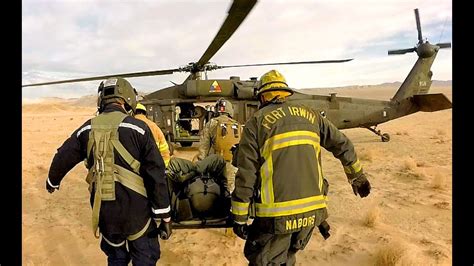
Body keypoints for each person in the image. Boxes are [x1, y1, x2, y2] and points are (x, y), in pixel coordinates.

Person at [230, 70, 372, 265]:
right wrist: (357, 177)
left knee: (265, 260)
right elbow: (343, 144)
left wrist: (238, 216)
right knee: (287, 258)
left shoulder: (257, 122)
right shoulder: (312, 115)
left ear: (263, 96)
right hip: (313, 212)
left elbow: (247, 174)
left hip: (275, 217)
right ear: (285, 93)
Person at [45, 77, 172, 265]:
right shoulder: (139, 128)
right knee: (145, 256)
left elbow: (62, 157)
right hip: (137, 213)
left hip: (106, 213)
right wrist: (165, 216)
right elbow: (156, 174)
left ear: (101, 100)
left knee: (116, 258)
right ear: (128, 99)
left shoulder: (86, 128)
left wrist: (52, 181)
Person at [197, 98, 242, 193]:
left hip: (216, 163)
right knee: (231, 189)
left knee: (215, 189)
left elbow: (203, 146)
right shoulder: (238, 125)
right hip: (232, 165)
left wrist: (202, 164)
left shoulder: (212, 123)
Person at [135, 102, 171, 168]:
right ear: (145, 113)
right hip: (153, 166)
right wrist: (164, 167)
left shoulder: (128, 125)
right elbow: (164, 150)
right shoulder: (154, 126)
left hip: (135, 168)